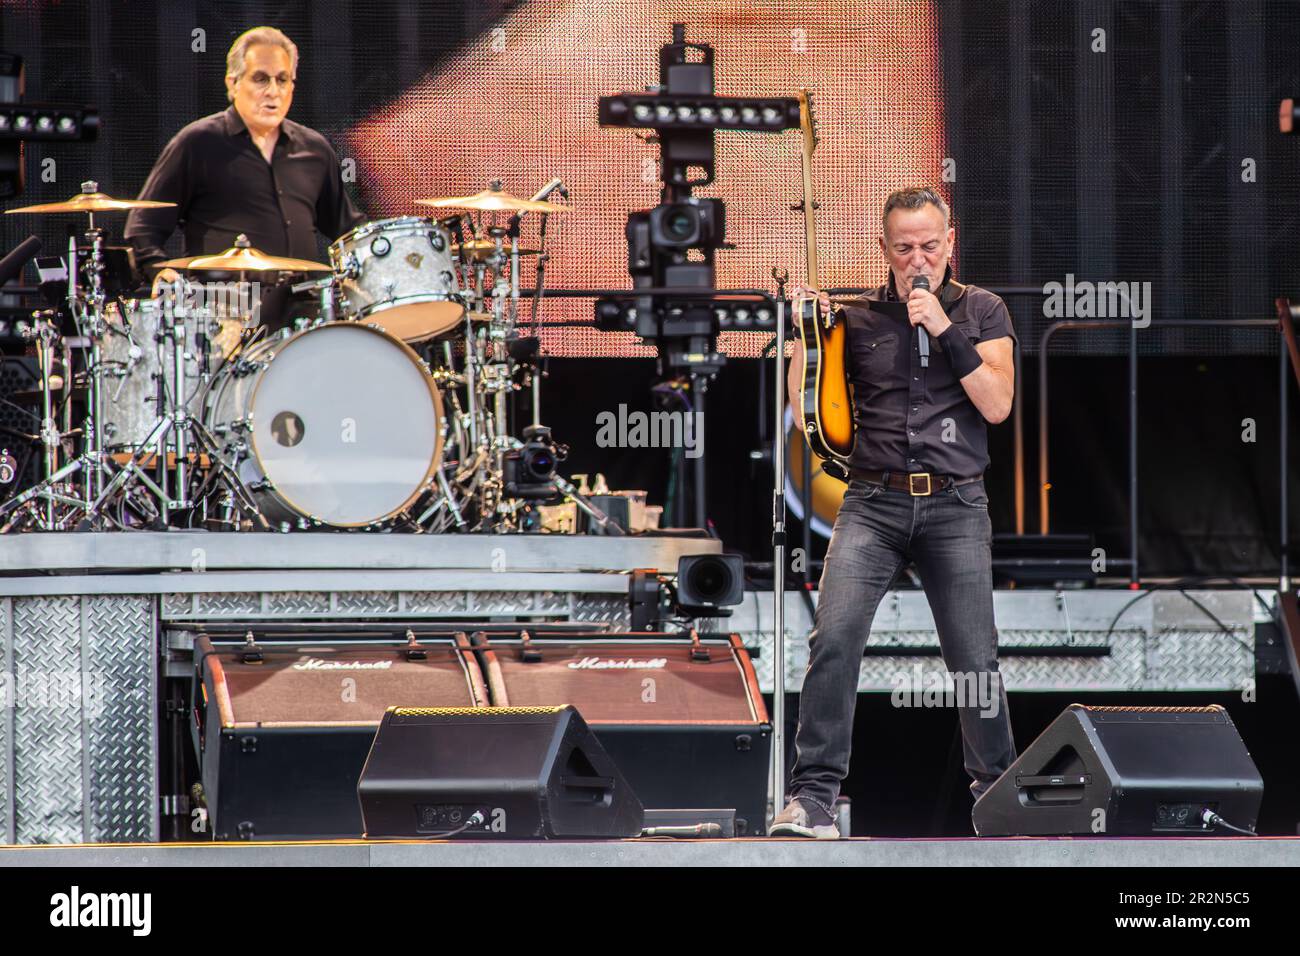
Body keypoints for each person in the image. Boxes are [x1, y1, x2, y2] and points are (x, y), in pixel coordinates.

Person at [772, 186, 1018, 838]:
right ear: (884, 249)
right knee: (834, 640)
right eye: (904, 248)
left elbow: (996, 404)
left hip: (957, 503)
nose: (918, 260)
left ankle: (998, 802)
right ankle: (814, 800)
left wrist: (944, 328)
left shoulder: (984, 310)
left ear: (950, 243)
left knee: (974, 659)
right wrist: (808, 340)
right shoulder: (856, 318)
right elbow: (803, 406)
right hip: (873, 502)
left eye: (929, 247)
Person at [124, 26, 364, 302]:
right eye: (260, 79)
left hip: (302, 315)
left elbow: (348, 230)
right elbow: (143, 226)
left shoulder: (314, 149)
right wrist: (160, 269)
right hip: (223, 314)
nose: (273, 91)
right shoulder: (197, 143)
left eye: (283, 80)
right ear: (233, 83)